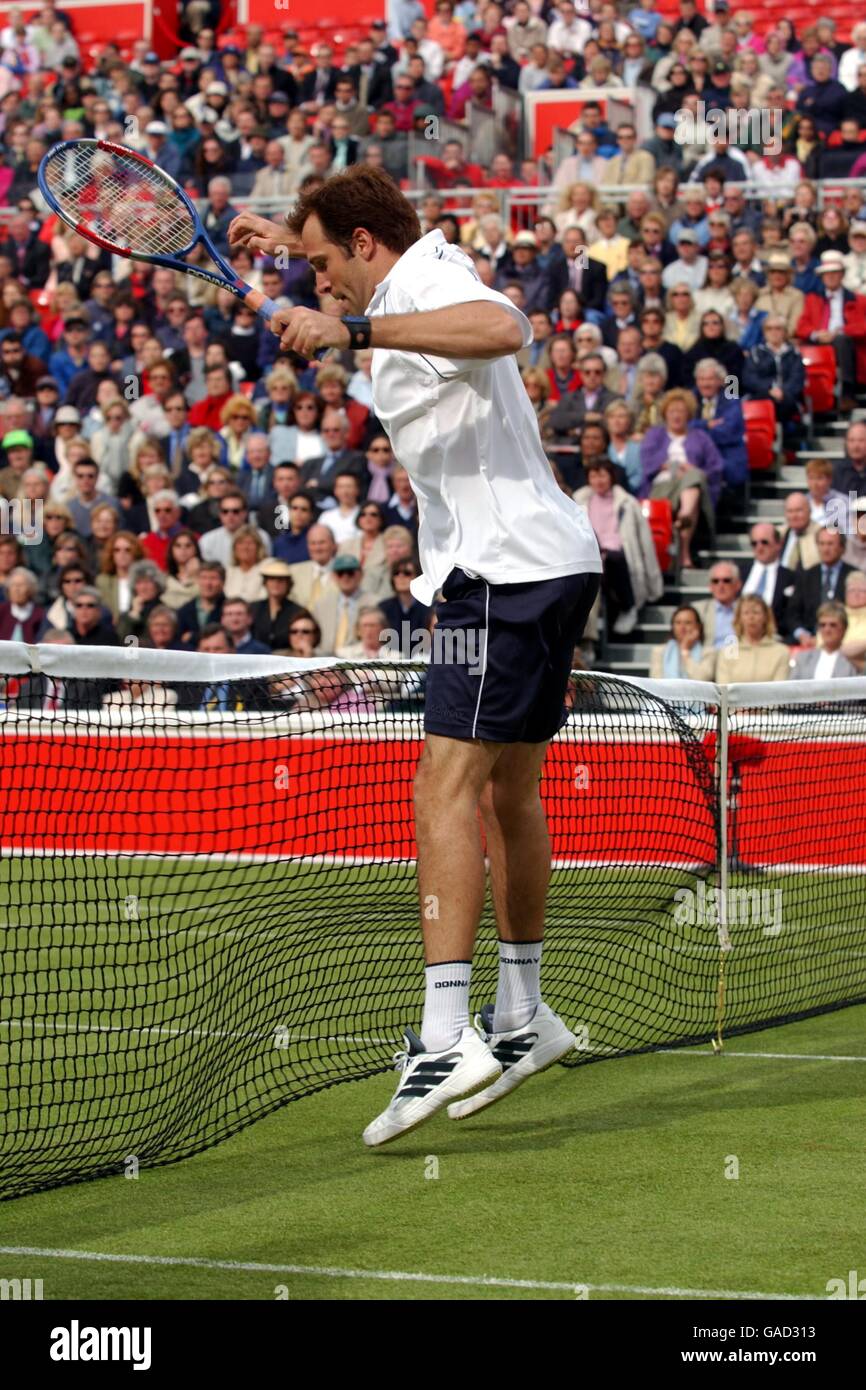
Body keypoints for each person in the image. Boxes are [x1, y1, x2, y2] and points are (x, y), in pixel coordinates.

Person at [228, 163, 602, 1145]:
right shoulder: (395, 272)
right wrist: (291, 240)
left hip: (501, 575)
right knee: (502, 793)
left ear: (361, 249)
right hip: (543, 565)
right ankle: (520, 1018)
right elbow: (362, 259)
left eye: (322, 264)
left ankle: (444, 1036)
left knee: (437, 787)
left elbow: (502, 329)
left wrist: (349, 323)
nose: (314, 283)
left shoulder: (430, 279)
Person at [574, 458, 663, 634]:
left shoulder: (628, 503)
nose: (598, 481)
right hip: (591, 556)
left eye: (602, 476)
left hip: (619, 556)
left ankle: (628, 608)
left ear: (611, 477)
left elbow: (645, 541)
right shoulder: (578, 502)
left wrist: (654, 582)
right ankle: (587, 642)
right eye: (593, 476)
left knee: (614, 559)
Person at [714, 595, 791, 683]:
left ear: (766, 617)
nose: (751, 618)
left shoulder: (781, 652)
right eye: (746, 613)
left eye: (756, 612)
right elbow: (723, 688)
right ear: (739, 618)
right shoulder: (727, 651)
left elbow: (779, 689)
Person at [789, 602, 858, 678]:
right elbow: (793, 687)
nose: (827, 629)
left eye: (833, 625)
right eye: (822, 625)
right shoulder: (803, 658)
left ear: (844, 628)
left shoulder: (854, 660)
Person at [649, 604, 716, 679]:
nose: (682, 627)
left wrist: (685, 650)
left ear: (698, 626)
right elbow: (656, 682)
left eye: (688, 623)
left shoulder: (708, 652)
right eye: (678, 622)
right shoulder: (659, 651)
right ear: (672, 626)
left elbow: (702, 679)